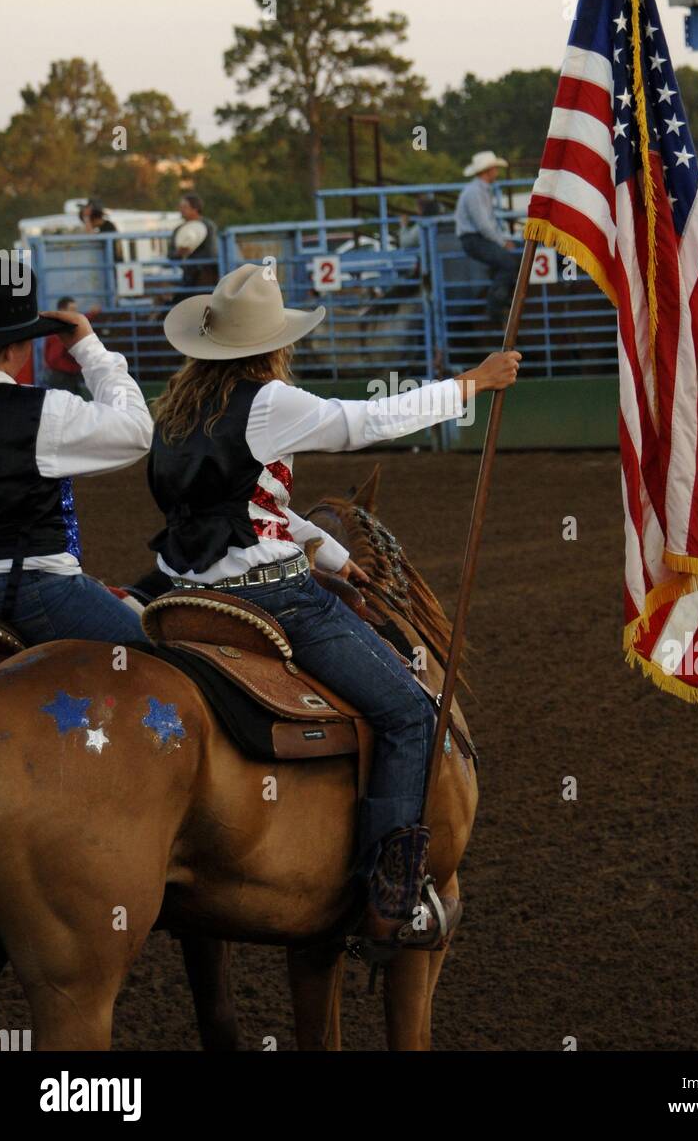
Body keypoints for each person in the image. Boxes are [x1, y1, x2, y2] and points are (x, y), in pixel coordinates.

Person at [148, 262, 521, 948]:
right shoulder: (269, 401)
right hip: (267, 598)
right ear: (272, 344)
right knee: (411, 712)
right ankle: (391, 887)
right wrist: (471, 384)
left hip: (178, 590)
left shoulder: (176, 409)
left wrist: (323, 548)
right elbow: (367, 421)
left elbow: (244, 507)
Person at [0, 255, 152, 645]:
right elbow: (136, 430)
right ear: (17, 349)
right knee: (164, 663)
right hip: (35, 591)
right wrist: (90, 350)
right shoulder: (45, 410)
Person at [455, 150, 521, 328]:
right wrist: (502, 241)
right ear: (488, 170)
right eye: (494, 169)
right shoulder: (476, 192)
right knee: (508, 263)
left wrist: (502, 239)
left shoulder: (479, 190)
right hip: (474, 239)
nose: (496, 172)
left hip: (476, 238)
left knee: (507, 260)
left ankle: (501, 299)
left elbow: (486, 224)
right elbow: (484, 224)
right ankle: (495, 307)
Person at [43, 296, 98, 396]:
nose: (75, 313)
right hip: (62, 377)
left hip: (67, 375)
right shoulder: (59, 331)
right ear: (62, 310)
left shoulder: (62, 327)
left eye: (75, 310)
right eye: (72, 310)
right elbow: (54, 359)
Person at [169, 193, 219, 297]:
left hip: (206, 274)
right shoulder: (178, 230)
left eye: (185, 207)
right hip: (188, 275)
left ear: (195, 209)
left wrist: (189, 258)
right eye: (181, 207)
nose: (181, 210)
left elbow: (211, 252)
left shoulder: (208, 226)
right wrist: (178, 254)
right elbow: (170, 254)